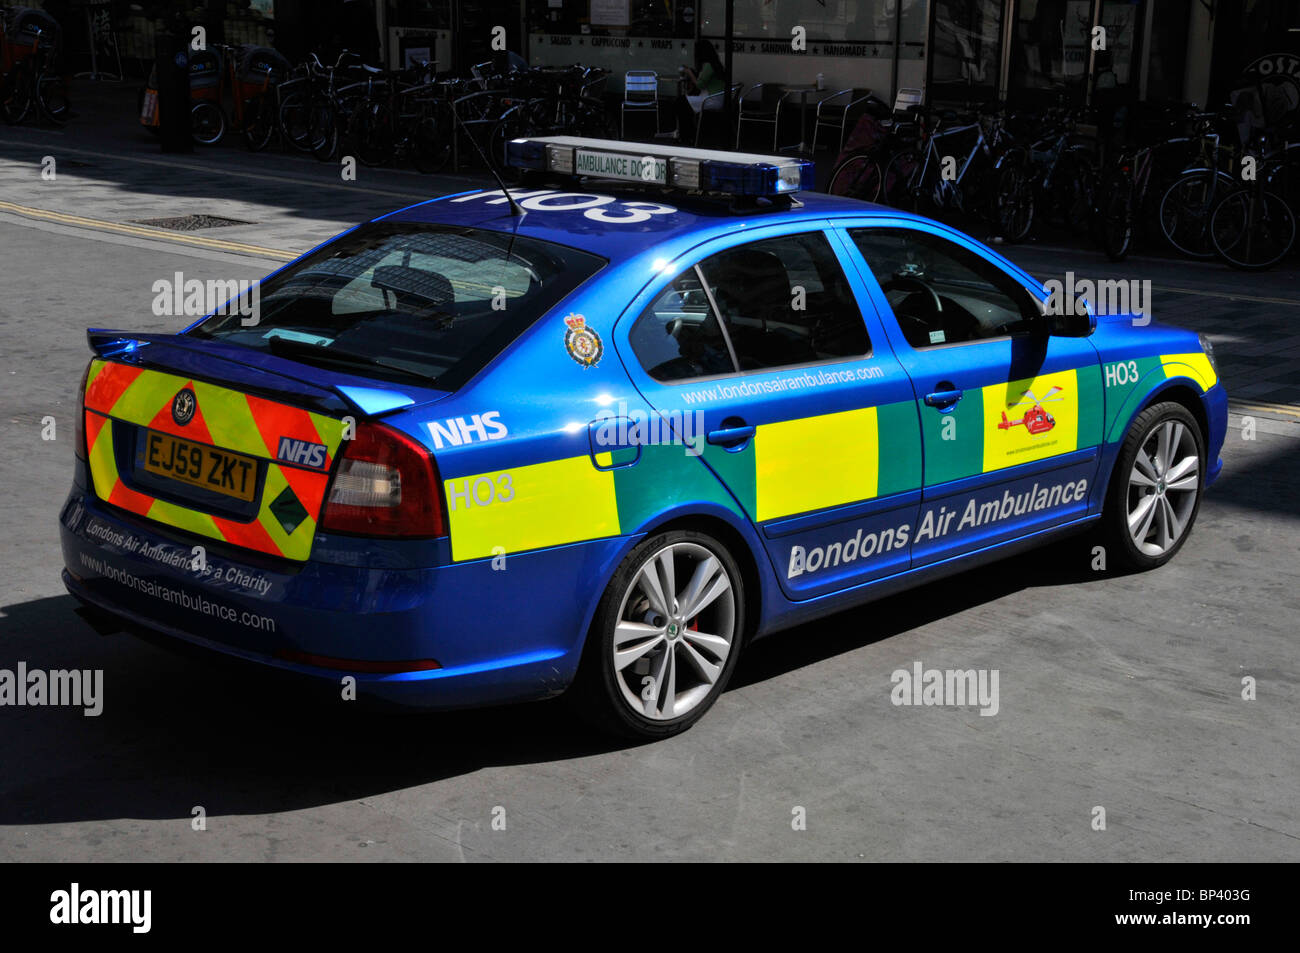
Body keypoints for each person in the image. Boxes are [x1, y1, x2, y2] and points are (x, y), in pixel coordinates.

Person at [675, 39, 725, 141]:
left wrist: (689, 72)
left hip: (711, 100)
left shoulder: (708, 66)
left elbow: (700, 85)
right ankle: (688, 133)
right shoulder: (716, 64)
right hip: (718, 99)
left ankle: (687, 134)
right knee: (683, 102)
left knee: (680, 102)